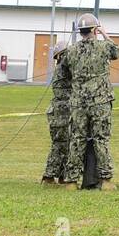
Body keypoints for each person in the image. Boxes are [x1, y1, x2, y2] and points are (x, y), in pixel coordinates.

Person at [65, 13, 119, 191]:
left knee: (77, 139)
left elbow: (66, 71)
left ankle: (72, 181)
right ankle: (105, 181)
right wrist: (105, 34)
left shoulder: (71, 50)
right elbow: (117, 52)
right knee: (101, 139)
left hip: (78, 103)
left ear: (80, 31)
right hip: (100, 102)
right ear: (94, 29)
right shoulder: (103, 47)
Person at [41, 40, 77, 186]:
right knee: (60, 144)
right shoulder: (64, 68)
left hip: (62, 110)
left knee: (66, 144)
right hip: (61, 111)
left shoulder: (62, 67)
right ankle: (48, 177)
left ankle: (62, 176)